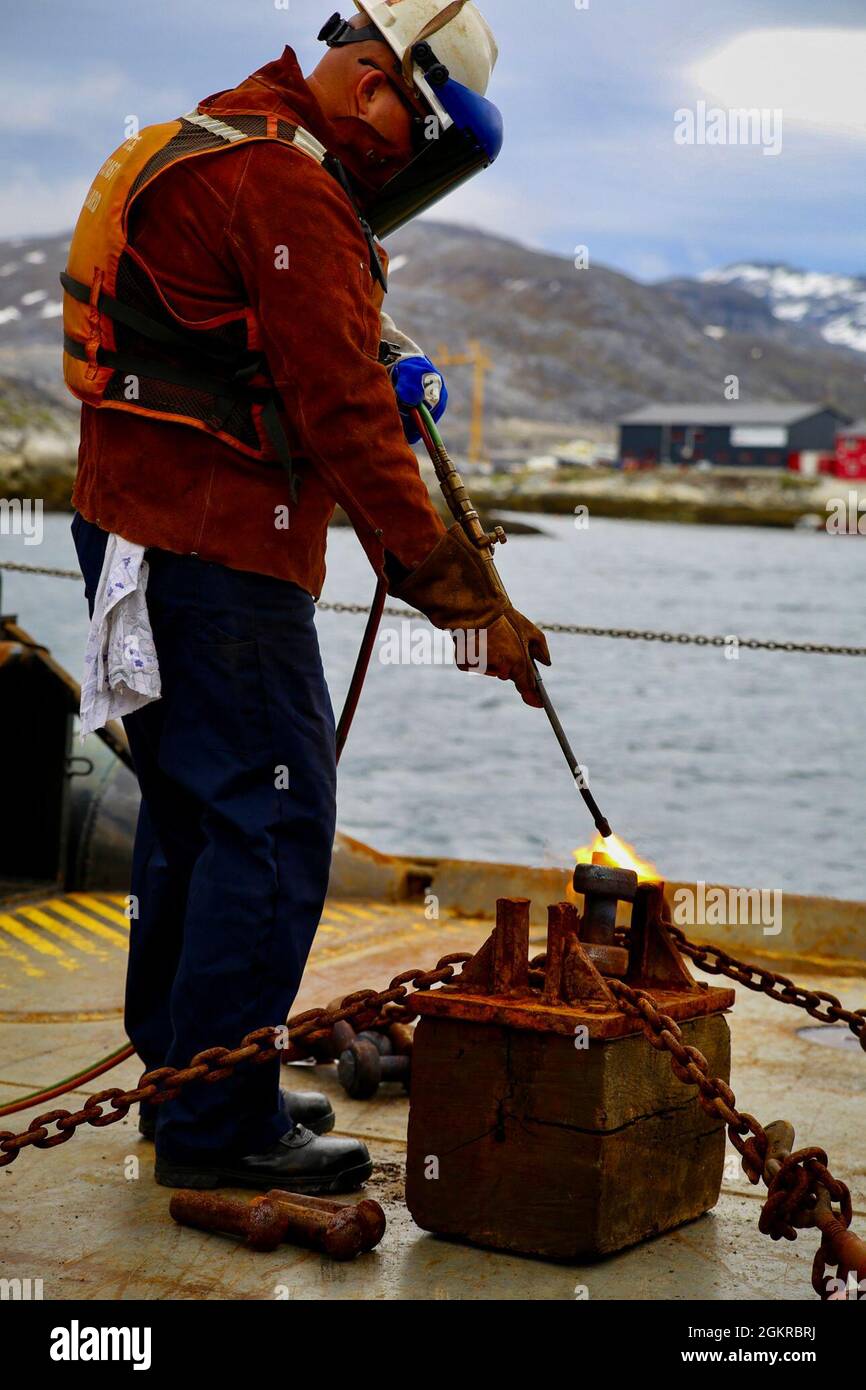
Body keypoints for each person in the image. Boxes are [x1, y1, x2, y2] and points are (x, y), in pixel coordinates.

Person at [63, 0, 550, 1193]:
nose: (396, 164)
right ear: (377, 80)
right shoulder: (288, 188)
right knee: (274, 823)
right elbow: (341, 426)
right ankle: (220, 1130)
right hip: (218, 556)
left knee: (191, 816)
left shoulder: (221, 135)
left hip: (133, 533)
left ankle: (188, 1084)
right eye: (407, 137)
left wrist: (375, 342)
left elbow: (268, 333)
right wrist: (467, 596)